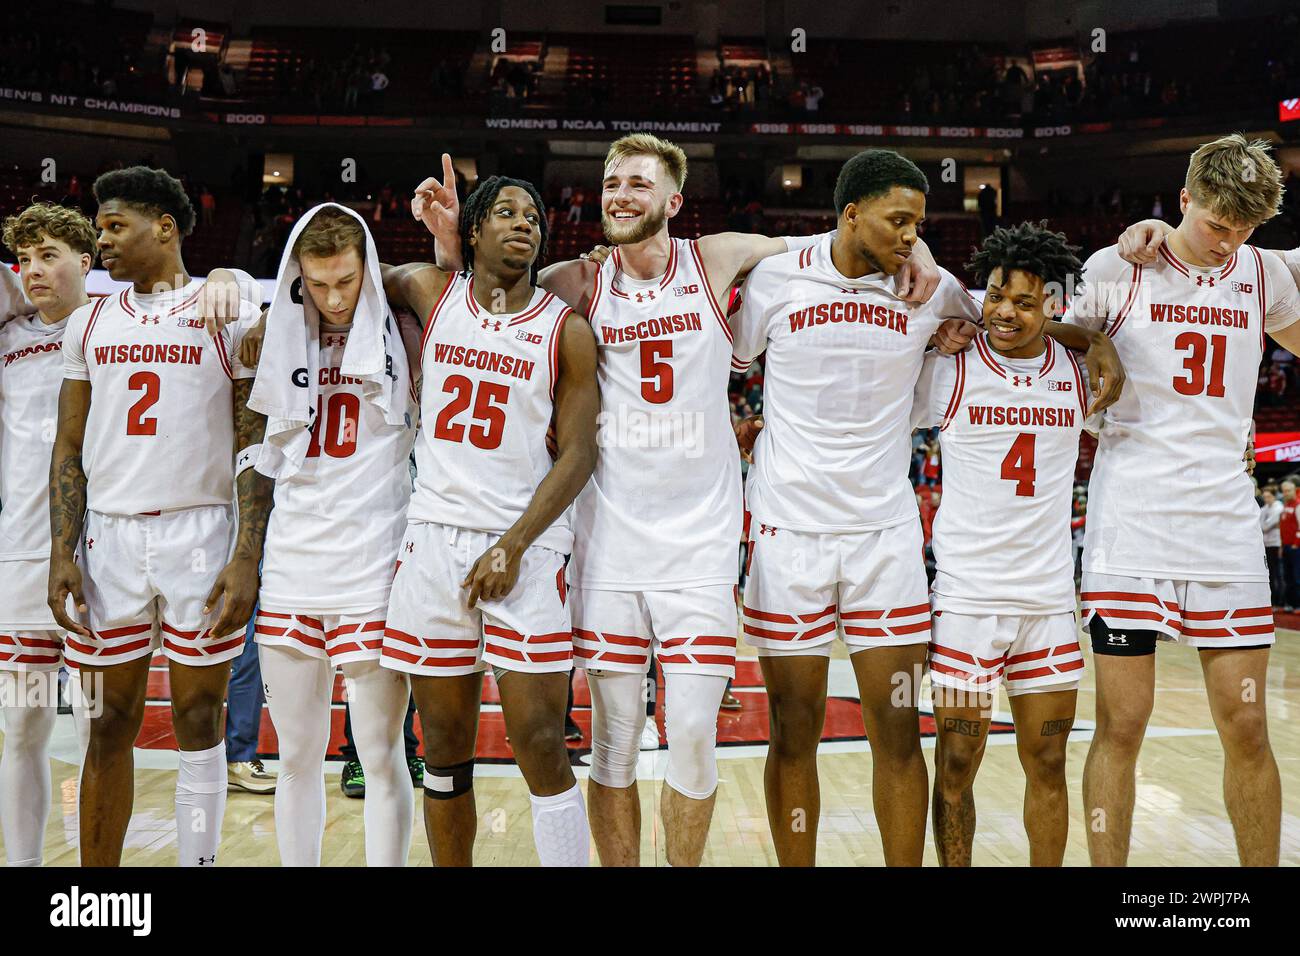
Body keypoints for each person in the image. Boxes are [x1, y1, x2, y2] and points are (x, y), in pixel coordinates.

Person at [421, 138, 944, 867]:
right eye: (610, 183)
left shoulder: (721, 257)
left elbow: (836, 243)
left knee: (695, 737)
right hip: (609, 545)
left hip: (698, 550)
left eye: (639, 183)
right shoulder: (576, 280)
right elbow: (488, 296)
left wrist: (914, 256)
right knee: (614, 742)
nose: (620, 194)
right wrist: (453, 246)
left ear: (672, 201)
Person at [730, 148, 1122, 867]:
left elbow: (1015, 323)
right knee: (790, 733)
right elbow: (724, 361)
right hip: (787, 534)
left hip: (886, 540)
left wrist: (1091, 337)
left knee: (899, 731)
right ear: (851, 214)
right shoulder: (775, 280)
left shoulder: (934, 289)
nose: (912, 235)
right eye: (899, 220)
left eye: (919, 222)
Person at [1076, 135, 1300, 866]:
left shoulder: (1263, 274)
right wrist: (1090, 344)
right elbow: (1058, 344)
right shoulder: (1117, 267)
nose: (1226, 243)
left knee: (1246, 728)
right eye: (1215, 226)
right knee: (1123, 725)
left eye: (1243, 232)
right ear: (1183, 200)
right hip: (1131, 518)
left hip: (1224, 525)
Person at [47, 166, 273, 867]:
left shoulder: (227, 307)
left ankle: (198, 863)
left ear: (165, 227)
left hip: (200, 530)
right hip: (109, 534)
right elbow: (69, 441)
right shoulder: (88, 320)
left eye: (115, 226)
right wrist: (62, 550)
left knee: (197, 718)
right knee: (108, 723)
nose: (102, 240)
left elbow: (252, 438)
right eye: (100, 227)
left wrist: (246, 556)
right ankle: (95, 887)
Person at [381, 170, 600, 867]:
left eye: (533, 216)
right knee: (441, 751)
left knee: (540, 742)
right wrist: (240, 283)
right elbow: (342, 263)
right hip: (434, 543)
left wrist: (512, 544)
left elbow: (580, 455)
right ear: (472, 230)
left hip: (527, 549)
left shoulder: (565, 331)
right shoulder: (427, 290)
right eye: (505, 212)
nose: (524, 224)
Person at [220, 204, 422, 866]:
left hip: (374, 563)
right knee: (297, 755)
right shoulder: (273, 332)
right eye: (319, 284)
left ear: (370, 269)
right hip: (293, 564)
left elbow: (453, 281)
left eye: (348, 282)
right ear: (296, 277)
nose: (335, 299)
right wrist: (225, 270)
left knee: (381, 752)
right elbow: (231, 287)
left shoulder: (408, 327)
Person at [912, 221, 1090, 866]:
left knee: (1048, 759)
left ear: (1052, 304)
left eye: (1024, 300)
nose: (1004, 311)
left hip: (1046, 601)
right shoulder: (950, 371)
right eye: (993, 296)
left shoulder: (1080, 372)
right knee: (957, 760)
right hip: (967, 599)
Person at [0, 203, 95, 865]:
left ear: (87, 262)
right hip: (23, 560)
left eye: (49, 256)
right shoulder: (9, 337)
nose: (33, 270)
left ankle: (96, 877)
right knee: (22, 730)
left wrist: (232, 274)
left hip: (102, 564)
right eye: (23, 259)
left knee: (98, 735)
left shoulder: (117, 327)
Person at [1260, 489, 1283, 609]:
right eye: (1264, 497)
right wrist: (1268, 525)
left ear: (1274, 496)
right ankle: (1272, 600)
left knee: (1276, 573)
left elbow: (1265, 525)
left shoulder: (1278, 507)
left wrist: (1268, 525)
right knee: (1269, 573)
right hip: (1266, 543)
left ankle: (1279, 600)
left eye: (1268, 496)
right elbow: (1260, 525)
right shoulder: (1264, 509)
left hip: (1275, 543)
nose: (1266, 499)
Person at [1282, 480, 1300, 612]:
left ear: (1295, 490)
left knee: (1296, 576)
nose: (1286, 493)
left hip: (1295, 547)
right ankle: (1290, 603)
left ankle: (1298, 604)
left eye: (1288, 490)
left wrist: (1295, 544)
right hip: (1286, 546)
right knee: (1287, 576)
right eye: (1284, 491)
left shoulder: (1298, 505)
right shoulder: (1285, 505)